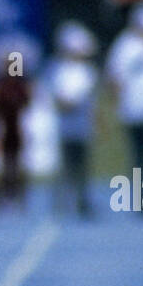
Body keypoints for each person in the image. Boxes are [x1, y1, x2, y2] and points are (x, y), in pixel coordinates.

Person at [43, 22, 99, 218]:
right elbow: (52, 93)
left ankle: (83, 202)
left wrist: (68, 104)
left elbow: (82, 97)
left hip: (81, 125)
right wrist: (63, 103)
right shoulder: (55, 68)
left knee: (82, 166)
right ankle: (60, 204)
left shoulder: (87, 71)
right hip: (62, 126)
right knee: (63, 166)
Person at [105, 1, 143, 181]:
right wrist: (117, 103)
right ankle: (140, 198)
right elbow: (115, 76)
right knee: (139, 154)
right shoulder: (126, 45)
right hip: (134, 108)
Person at [0, 53, 32, 207]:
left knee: (19, 165)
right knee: (3, 165)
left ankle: (21, 198)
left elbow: (27, 105)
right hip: (5, 129)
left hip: (18, 128)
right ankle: (4, 197)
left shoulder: (21, 85)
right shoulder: (0, 85)